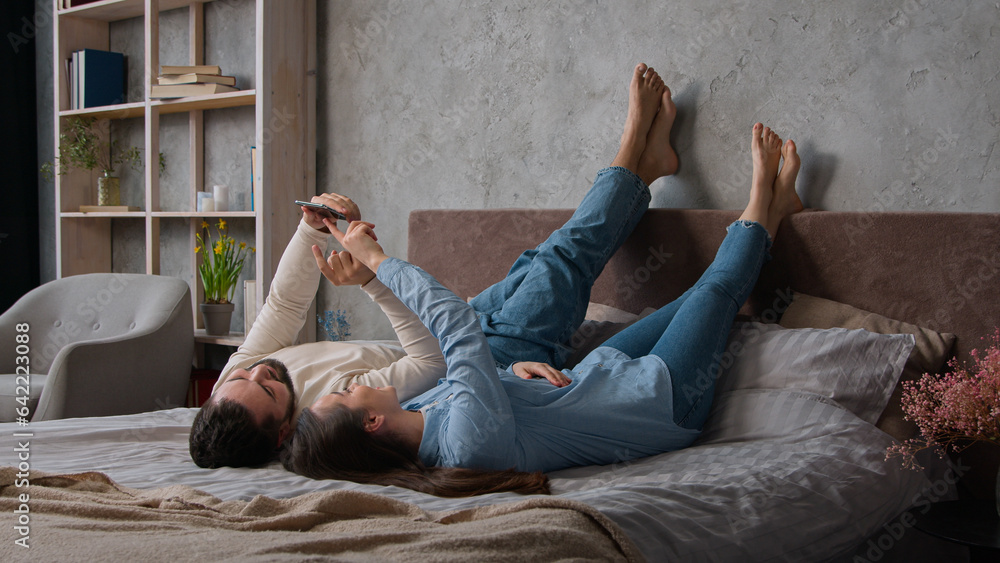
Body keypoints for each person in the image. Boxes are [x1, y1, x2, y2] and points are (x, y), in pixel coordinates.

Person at [280, 65, 804, 498]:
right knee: (713, 291)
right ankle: (766, 207)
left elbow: (482, 377)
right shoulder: (463, 444)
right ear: (371, 426)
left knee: (676, 296)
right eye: (346, 395)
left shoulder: (414, 415)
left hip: (596, 375)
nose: (353, 384)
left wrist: (509, 370)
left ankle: (770, 210)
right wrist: (376, 258)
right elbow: (457, 330)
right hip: (662, 402)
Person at [189, 193, 448, 468]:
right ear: (282, 434)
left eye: (240, 376)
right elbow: (433, 361)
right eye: (268, 390)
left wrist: (313, 229)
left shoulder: (231, 391)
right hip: (459, 339)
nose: (259, 370)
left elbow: (283, 307)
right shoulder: (331, 408)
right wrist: (373, 280)